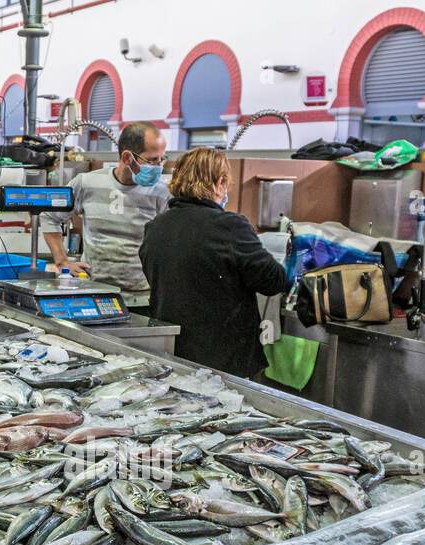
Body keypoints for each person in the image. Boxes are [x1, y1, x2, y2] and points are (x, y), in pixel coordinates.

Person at [139, 148, 288, 379]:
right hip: (222, 363)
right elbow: (273, 281)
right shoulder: (229, 226)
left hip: (172, 356)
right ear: (219, 183)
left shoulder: (156, 226)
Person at [41, 121, 169, 314]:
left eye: (162, 159)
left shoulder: (162, 193)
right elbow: (49, 216)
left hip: (142, 299)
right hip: (93, 295)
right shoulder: (86, 183)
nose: (159, 167)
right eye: (152, 161)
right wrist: (62, 261)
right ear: (127, 158)